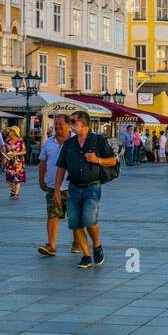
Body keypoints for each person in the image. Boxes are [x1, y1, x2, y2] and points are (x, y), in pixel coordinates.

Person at [54, 109, 117, 270]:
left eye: (73, 122)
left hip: (92, 186)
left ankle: (97, 245)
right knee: (75, 223)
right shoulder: (69, 144)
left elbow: (113, 161)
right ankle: (86, 256)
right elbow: (61, 167)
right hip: (73, 187)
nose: (70, 125)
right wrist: (57, 190)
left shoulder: (97, 140)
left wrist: (97, 160)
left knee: (89, 220)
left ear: (83, 123)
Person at [36, 114, 73, 256]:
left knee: (74, 217)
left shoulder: (75, 141)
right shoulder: (49, 142)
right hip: (52, 185)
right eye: (55, 124)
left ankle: (76, 242)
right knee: (52, 214)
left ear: (68, 125)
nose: (57, 126)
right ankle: (51, 245)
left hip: (72, 185)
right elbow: (42, 161)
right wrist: (41, 179)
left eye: (60, 124)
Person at [2, 126, 27, 199]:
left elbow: (24, 151)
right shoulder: (7, 141)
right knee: (9, 177)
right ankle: (13, 189)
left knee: (17, 177)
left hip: (18, 161)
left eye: (10, 131)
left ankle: (16, 194)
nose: (9, 132)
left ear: (14, 132)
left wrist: (16, 154)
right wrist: (4, 158)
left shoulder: (20, 141)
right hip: (9, 161)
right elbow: (4, 151)